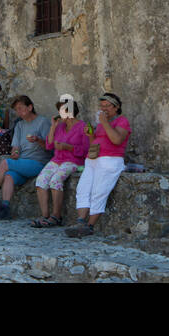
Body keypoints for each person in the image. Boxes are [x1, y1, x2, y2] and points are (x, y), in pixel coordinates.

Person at [65, 93, 131, 237]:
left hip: (110, 160)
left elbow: (117, 140)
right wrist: (90, 136)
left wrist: (105, 123)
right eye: (102, 106)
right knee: (83, 189)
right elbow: (95, 143)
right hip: (93, 159)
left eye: (107, 106)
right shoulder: (102, 123)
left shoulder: (122, 121)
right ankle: (80, 221)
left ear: (116, 107)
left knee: (98, 192)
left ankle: (89, 226)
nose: (103, 109)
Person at [0, 95, 51, 219]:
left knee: (5, 163)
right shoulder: (19, 125)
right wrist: (15, 153)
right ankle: (5, 208)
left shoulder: (43, 122)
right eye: (16, 110)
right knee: (9, 176)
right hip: (23, 162)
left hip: (38, 162)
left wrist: (37, 140)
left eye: (21, 108)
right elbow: (16, 146)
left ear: (30, 107)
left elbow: (49, 146)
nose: (19, 112)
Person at [31, 95, 89, 227]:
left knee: (55, 180)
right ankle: (45, 216)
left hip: (74, 161)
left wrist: (67, 147)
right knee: (41, 180)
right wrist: (52, 127)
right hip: (57, 159)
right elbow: (49, 145)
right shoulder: (60, 127)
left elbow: (85, 150)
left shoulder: (82, 127)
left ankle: (56, 216)